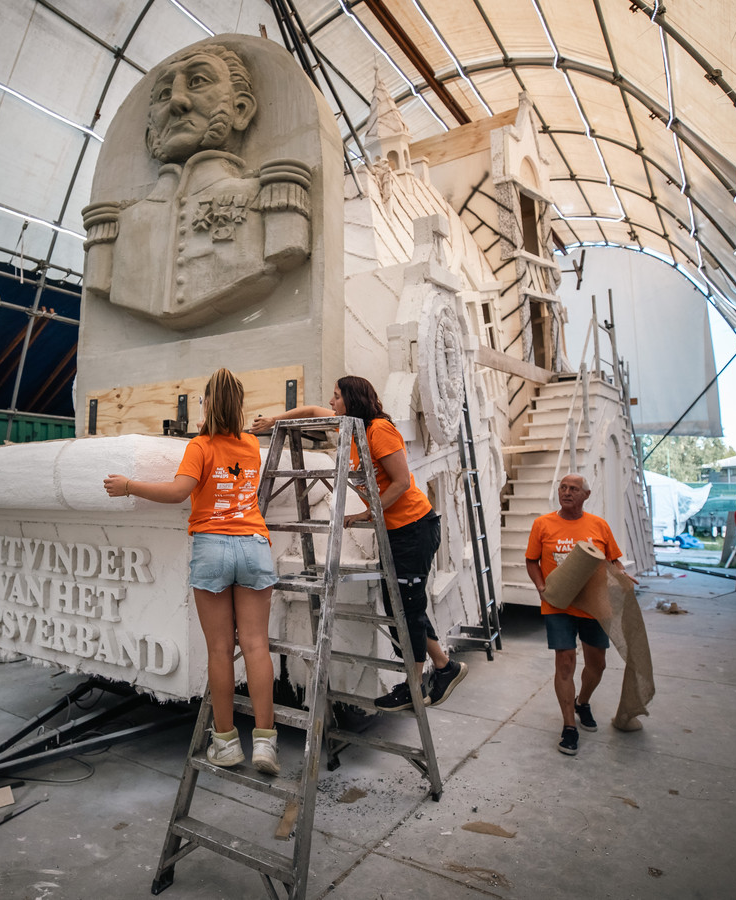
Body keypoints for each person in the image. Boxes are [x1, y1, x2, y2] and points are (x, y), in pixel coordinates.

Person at [250, 375, 467, 713]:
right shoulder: (350, 427)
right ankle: (445, 667)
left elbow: (400, 482)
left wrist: (369, 511)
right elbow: (310, 410)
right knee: (400, 606)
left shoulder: (379, 430)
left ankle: (413, 685)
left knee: (406, 608)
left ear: (351, 399)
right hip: (395, 531)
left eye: (337, 397)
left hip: (414, 528)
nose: (332, 402)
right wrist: (273, 421)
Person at [103, 368, 281, 774]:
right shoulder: (252, 445)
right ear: (239, 407)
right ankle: (266, 744)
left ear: (206, 405)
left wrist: (129, 485)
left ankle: (226, 743)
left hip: (212, 548)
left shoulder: (200, 446)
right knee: (256, 646)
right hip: (254, 545)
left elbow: (178, 492)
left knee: (220, 651)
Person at [81, 42, 311, 328]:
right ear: (150, 132)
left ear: (240, 110)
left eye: (198, 82)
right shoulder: (118, 225)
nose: (177, 102)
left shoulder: (271, 195)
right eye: (164, 94)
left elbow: (286, 253)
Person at [524, 474, 623, 756]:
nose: (567, 493)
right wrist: (541, 586)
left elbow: (613, 559)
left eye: (574, 489)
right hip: (558, 604)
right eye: (563, 488)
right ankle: (569, 726)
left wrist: (621, 573)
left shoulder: (598, 525)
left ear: (586, 495)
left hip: (593, 604)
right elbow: (531, 560)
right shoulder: (542, 524)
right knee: (565, 663)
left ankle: (583, 701)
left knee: (597, 664)